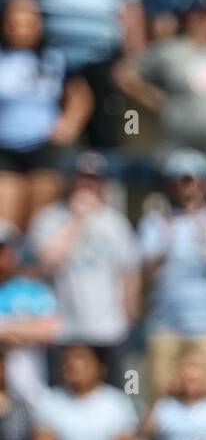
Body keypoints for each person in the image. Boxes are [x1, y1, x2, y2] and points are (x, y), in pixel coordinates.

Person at [138, 148, 206, 397]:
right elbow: (142, 277)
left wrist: (204, 238)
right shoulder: (154, 223)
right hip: (165, 326)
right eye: (179, 180)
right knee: (160, 399)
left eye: (192, 180)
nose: (187, 188)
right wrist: (164, 246)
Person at [28, 151, 141, 377]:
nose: (87, 183)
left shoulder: (116, 222)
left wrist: (129, 316)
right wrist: (77, 220)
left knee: (113, 399)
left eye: (94, 178)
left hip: (109, 329)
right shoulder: (49, 218)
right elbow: (48, 262)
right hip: (64, 329)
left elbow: (130, 272)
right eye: (82, 177)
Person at [114, 0, 206, 156]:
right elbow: (125, 76)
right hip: (176, 149)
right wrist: (156, 101)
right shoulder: (168, 50)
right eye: (200, 15)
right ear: (188, 18)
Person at [0, 0, 93, 228]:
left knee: (40, 225)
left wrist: (68, 124)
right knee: (6, 227)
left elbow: (80, 95)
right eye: (16, 19)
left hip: (44, 148)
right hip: (5, 148)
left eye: (29, 19)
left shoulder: (54, 58)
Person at [38, 0, 146, 148]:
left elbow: (132, 11)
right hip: (48, 59)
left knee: (116, 124)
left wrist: (132, 62)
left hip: (104, 59)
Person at [0, 218, 60, 405]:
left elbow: (52, 329)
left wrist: (4, 330)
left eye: (11, 247)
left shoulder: (34, 289)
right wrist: (22, 329)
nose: (7, 253)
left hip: (30, 395)